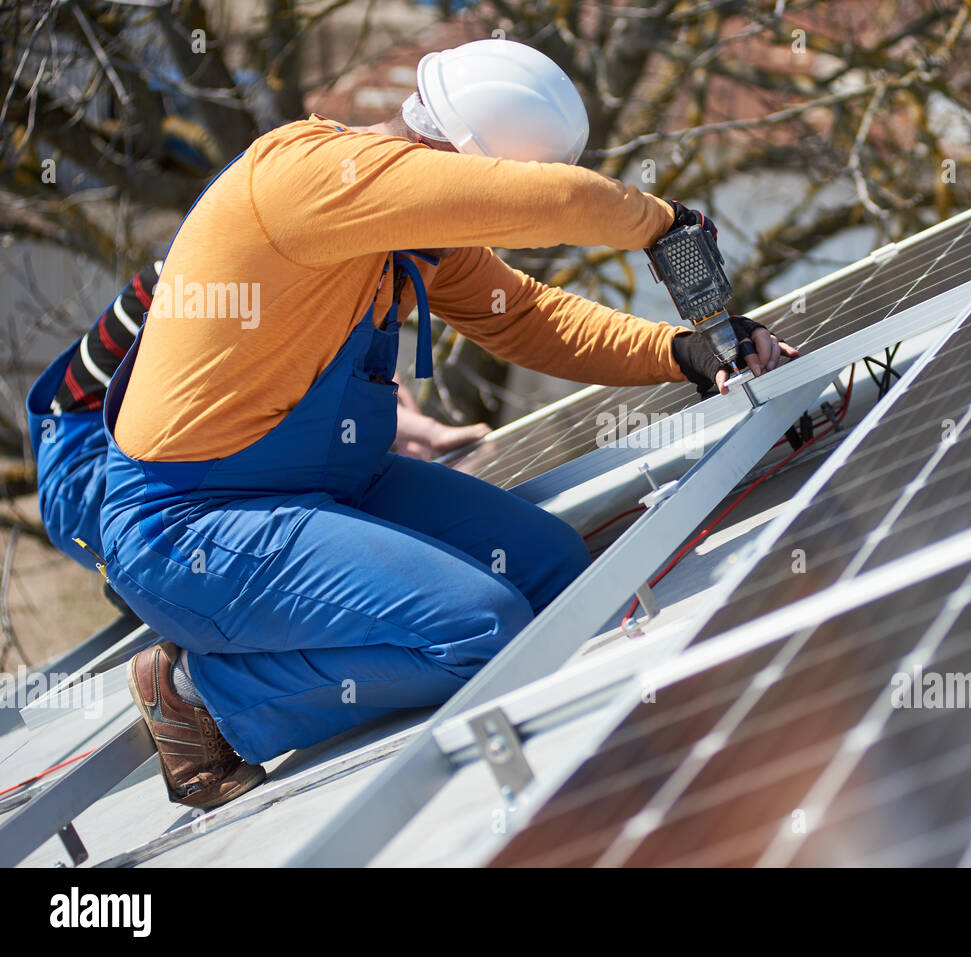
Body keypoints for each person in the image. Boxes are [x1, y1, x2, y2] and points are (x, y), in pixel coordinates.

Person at [96, 39, 795, 809]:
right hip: (191, 523)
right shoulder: (307, 179)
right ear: (452, 159)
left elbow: (526, 316)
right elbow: (557, 204)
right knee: (481, 630)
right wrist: (662, 222)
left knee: (555, 574)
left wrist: (683, 352)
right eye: (488, 181)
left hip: (328, 489)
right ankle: (202, 692)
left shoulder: (416, 237)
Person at [25, 264, 488, 590]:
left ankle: (160, 582)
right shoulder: (194, 285)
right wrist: (406, 429)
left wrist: (402, 420)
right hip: (88, 476)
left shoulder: (266, 287)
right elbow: (272, 395)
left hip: (136, 461)